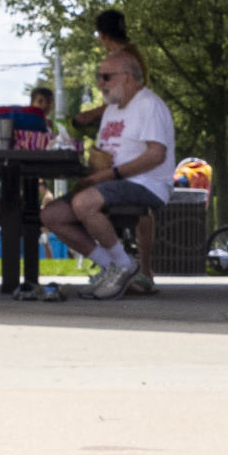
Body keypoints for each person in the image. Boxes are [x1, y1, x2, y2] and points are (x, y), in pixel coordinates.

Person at [48, 39, 173, 298]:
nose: (99, 83)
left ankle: (125, 265)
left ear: (127, 78)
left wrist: (108, 175)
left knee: (84, 203)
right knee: (51, 215)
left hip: (146, 184)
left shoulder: (149, 105)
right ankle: (111, 267)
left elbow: (156, 155)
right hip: (110, 182)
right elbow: (105, 154)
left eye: (105, 77)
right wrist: (88, 170)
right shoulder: (112, 110)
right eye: (98, 76)